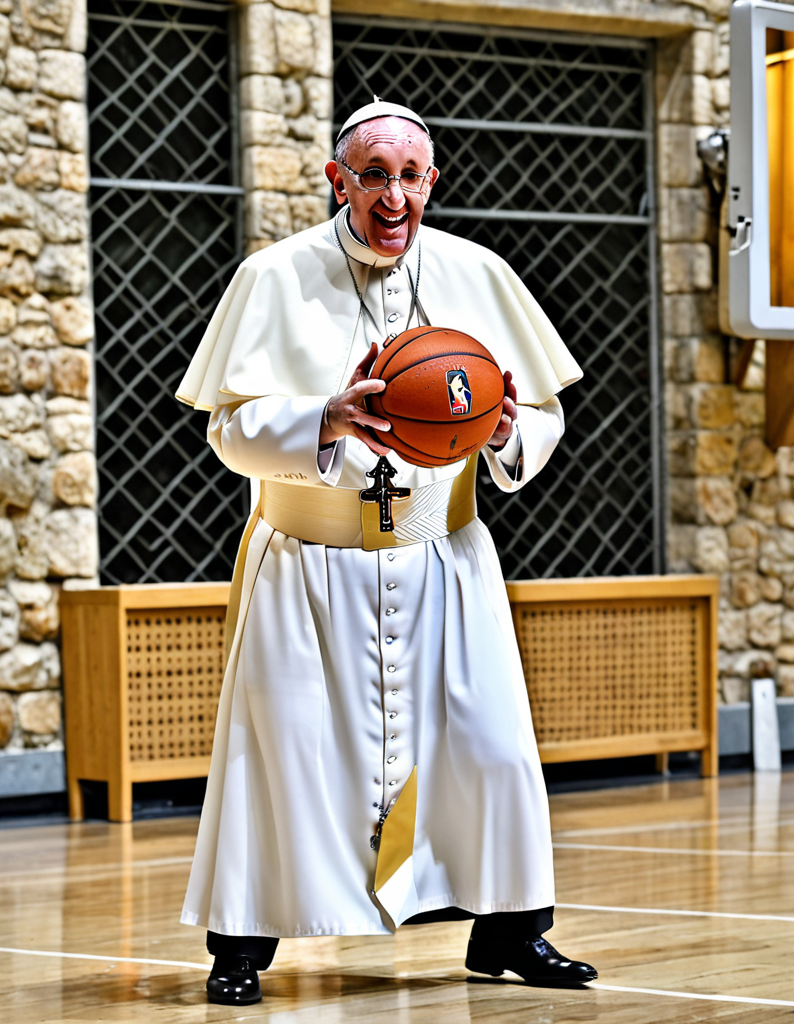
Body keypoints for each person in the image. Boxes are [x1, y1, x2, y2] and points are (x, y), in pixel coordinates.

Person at [175, 97, 594, 1006]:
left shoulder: (477, 273)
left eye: (410, 177)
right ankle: (240, 945)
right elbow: (230, 430)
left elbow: (546, 416)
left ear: (431, 181)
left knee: (492, 749)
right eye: (375, 175)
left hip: (444, 554)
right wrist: (320, 419)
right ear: (339, 180)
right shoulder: (274, 276)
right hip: (306, 563)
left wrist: (506, 427)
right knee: (275, 753)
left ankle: (513, 932)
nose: (394, 197)